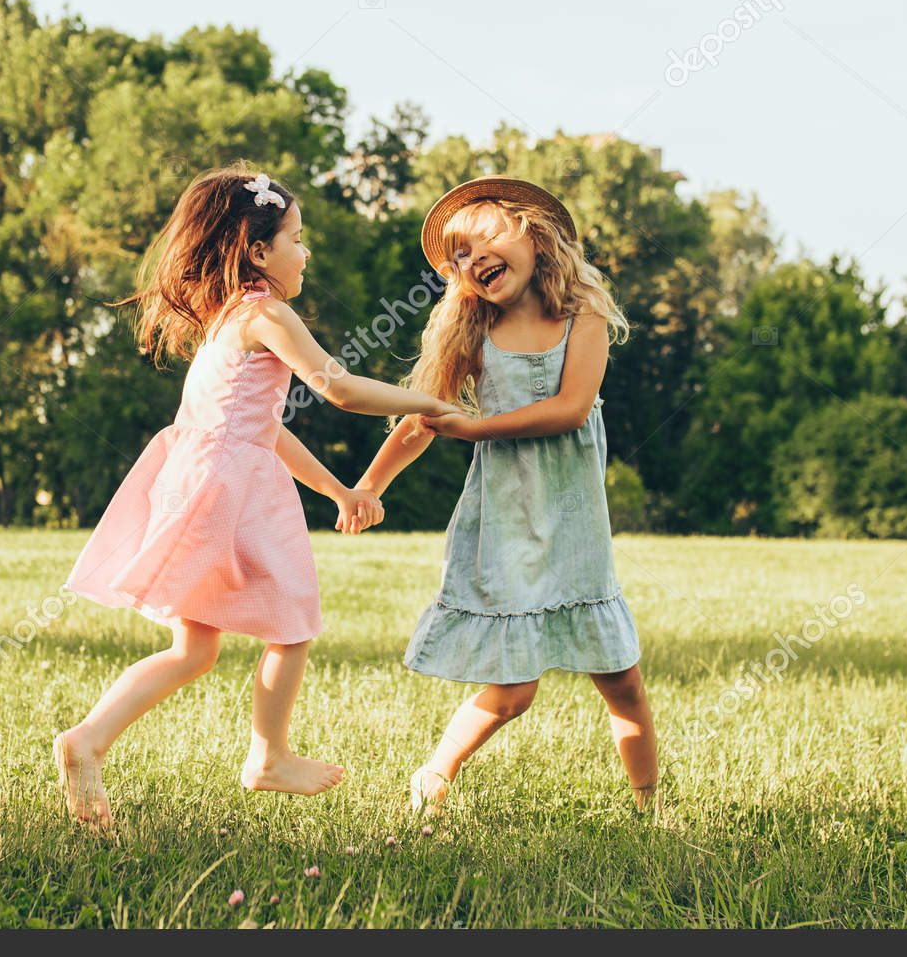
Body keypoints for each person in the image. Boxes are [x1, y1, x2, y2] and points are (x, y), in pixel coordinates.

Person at [55, 163, 465, 828]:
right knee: (293, 619)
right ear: (257, 250)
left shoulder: (229, 320)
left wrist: (337, 488)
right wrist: (429, 402)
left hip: (210, 475)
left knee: (195, 649)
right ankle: (268, 754)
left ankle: (89, 738)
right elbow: (338, 386)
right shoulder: (268, 313)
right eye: (297, 237)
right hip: (227, 487)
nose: (306, 251)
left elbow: (265, 427)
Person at [352, 177, 660, 817]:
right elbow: (422, 419)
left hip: (574, 524)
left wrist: (476, 428)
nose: (471, 260)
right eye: (457, 256)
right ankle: (434, 776)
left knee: (622, 680)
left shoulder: (584, 312)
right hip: (508, 521)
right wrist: (368, 486)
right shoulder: (473, 328)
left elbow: (572, 409)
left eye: (482, 239)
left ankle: (648, 808)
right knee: (514, 691)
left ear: (534, 233)